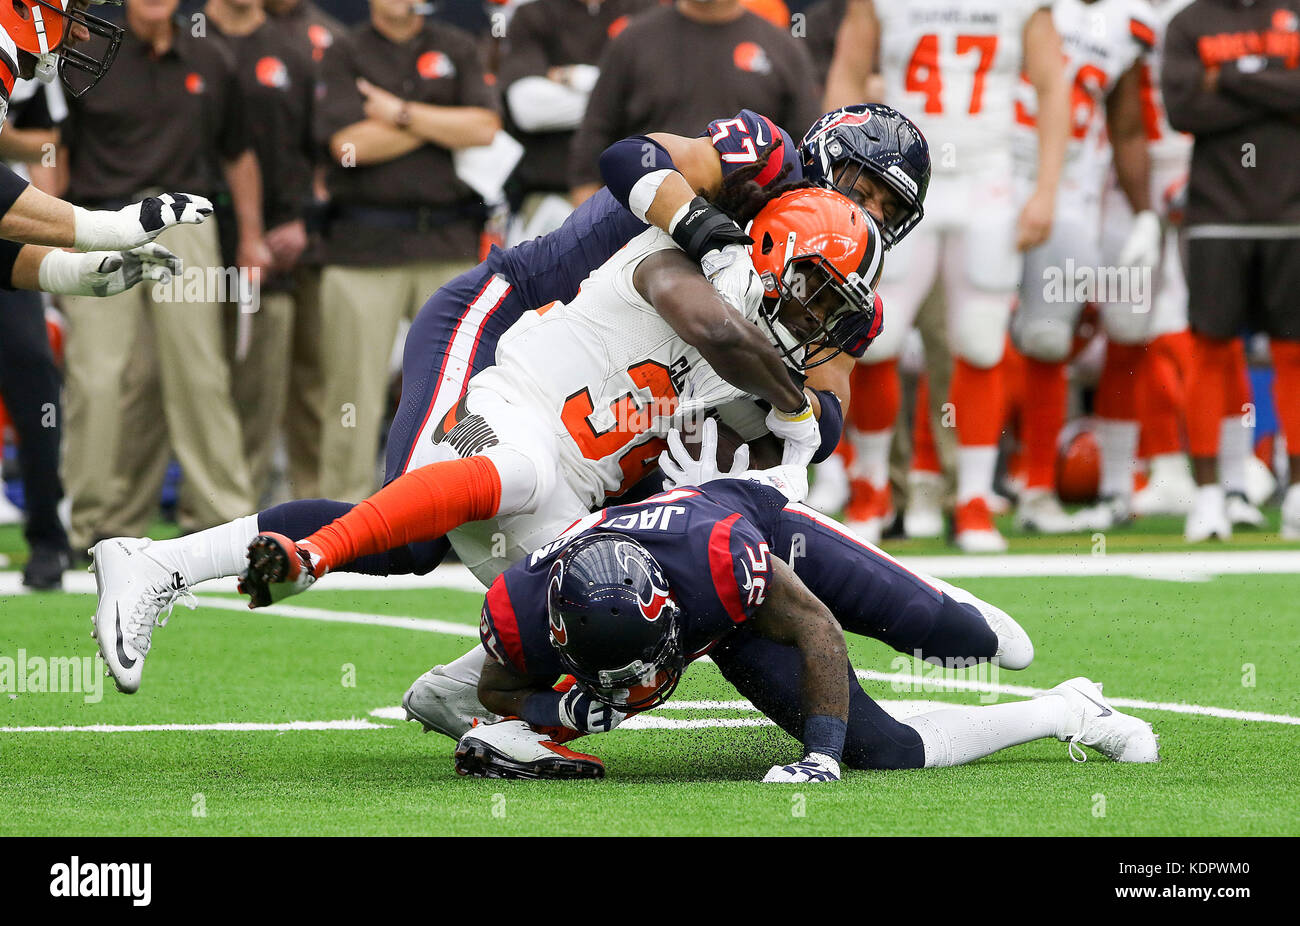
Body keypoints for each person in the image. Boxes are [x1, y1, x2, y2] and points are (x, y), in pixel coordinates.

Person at [92, 182, 883, 694]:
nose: (818, 321)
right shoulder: (689, 264)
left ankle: (474, 696)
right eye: (813, 293)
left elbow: (787, 449)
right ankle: (228, 560)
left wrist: (788, 435)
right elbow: (718, 329)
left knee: (639, 591)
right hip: (518, 404)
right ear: (771, 253)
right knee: (507, 479)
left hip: (579, 482)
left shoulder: (769, 349)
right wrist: (794, 411)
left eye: (832, 309)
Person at [452, 471, 1157, 781]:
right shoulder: (521, 607)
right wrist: (554, 704)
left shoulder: (715, 562)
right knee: (885, 752)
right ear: (559, 633)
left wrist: (817, 757)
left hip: (767, 534)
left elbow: (817, 626)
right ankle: (1072, 707)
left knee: (985, 643)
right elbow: (494, 689)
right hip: (721, 620)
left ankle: (941, 600)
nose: (643, 684)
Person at [831, 0, 1071, 551]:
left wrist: (1047, 187)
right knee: (875, 339)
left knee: (982, 343)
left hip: (988, 177)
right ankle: (870, 492)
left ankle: (973, 501)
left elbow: (1053, 85)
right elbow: (847, 69)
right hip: (898, 178)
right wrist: (839, 175)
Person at [58, 0, 266, 555]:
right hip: (97, 221)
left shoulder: (210, 56)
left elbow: (238, 155)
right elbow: (54, 149)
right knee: (100, 376)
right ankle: (95, 525)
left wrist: (250, 237)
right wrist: (49, 229)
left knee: (199, 371)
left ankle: (223, 520)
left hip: (185, 224)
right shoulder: (85, 51)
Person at [313, 0, 501, 502]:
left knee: (458, 394)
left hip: (447, 240)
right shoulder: (345, 51)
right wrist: (439, 126)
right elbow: (349, 148)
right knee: (352, 395)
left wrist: (397, 113)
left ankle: (452, 509)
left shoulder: (457, 46)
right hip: (362, 245)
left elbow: (484, 129)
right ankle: (341, 518)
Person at [1008, 0, 1163, 534]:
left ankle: (1051, 488)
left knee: (1055, 337)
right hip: (994, 174)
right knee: (962, 338)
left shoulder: (1128, 21)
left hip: (1074, 192)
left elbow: (1127, 126)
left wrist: (1145, 211)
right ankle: (940, 490)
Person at [1160, 0, 1300, 542]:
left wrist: (1230, 81)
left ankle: (1295, 494)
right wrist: (1274, 88)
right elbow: (1185, 111)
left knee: (1294, 352)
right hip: (1216, 211)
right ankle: (1210, 494)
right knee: (1211, 348)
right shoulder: (1189, 21)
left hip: (1291, 211)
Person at [567, 0, 821, 205]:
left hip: (749, 229)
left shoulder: (783, 47)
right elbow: (592, 141)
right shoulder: (634, 40)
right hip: (644, 220)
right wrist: (593, 230)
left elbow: (807, 150)